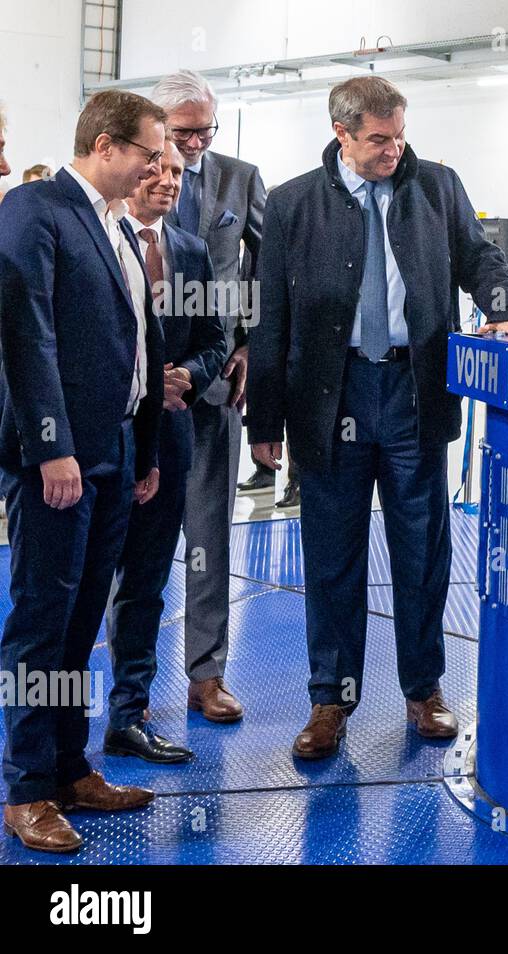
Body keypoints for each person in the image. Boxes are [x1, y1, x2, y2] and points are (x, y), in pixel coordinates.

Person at [247, 76, 508, 759]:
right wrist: (265, 419)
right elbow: (270, 320)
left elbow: (479, 257)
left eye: (400, 134)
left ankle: (424, 691)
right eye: (378, 139)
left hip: (414, 390)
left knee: (422, 552)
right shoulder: (292, 204)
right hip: (331, 399)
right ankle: (330, 701)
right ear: (343, 135)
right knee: (332, 559)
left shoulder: (436, 185)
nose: (393, 149)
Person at [0, 90, 166, 853]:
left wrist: (145, 451)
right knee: (41, 624)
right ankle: (26, 787)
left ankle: (70, 768)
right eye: (146, 151)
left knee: (79, 627)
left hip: (116, 451)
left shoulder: (114, 225)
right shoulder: (36, 209)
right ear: (105, 145)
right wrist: (48, 444)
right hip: (59, 458)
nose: (154, 166)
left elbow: (136, 342)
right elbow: (23, 333)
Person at [104, 140, 228, 764]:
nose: (168, 181)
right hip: (106, 435)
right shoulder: (96, 238)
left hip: (170, 436)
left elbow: (213, 337)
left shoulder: (189, 251)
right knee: (86, 582)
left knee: (148, 579)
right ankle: (53, 740)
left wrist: (191, 377)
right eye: (157, 168)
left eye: (178, 173)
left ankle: (128, 714)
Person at [152, 69, 267, 723]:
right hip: (137, 392)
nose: (197, 142)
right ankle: (130, 688)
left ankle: (206, 676)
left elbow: (270, 263)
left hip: (215, 384)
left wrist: (251, 343)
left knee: (208, 539)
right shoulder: (135, 177)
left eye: (207, 130)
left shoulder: (239, 177)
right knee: (132, 547)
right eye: (184, 131)